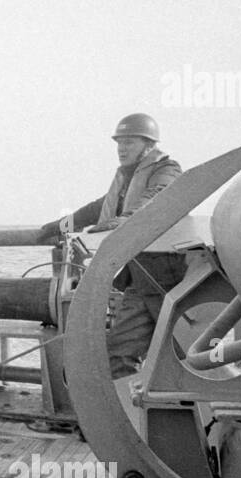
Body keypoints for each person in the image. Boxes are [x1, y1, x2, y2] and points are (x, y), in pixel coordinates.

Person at [39, 113, 186, 378]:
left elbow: (157, 197)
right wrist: (59, 226)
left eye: (129, 142)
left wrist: (125, 220)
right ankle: (128, 416)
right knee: (120, 353)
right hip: (141, 279)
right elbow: (97, 210)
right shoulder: (126, 181)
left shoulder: (167, 170)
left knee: (187, 354)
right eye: (119, 142)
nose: (121, 148)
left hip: (170, 280)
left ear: (149, 145)